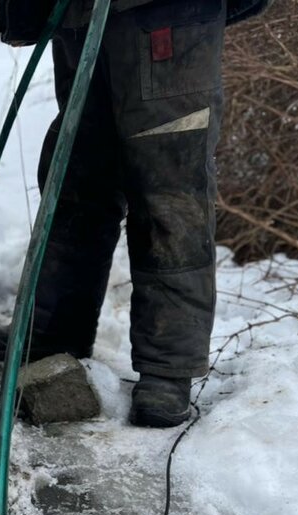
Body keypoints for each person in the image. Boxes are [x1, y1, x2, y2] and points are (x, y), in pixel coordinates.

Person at [18, 0, 270, 427]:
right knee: (77, 177)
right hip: (78, 16)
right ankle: (54, 337)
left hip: (167, 15)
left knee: (169, 187)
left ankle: (167, 368)